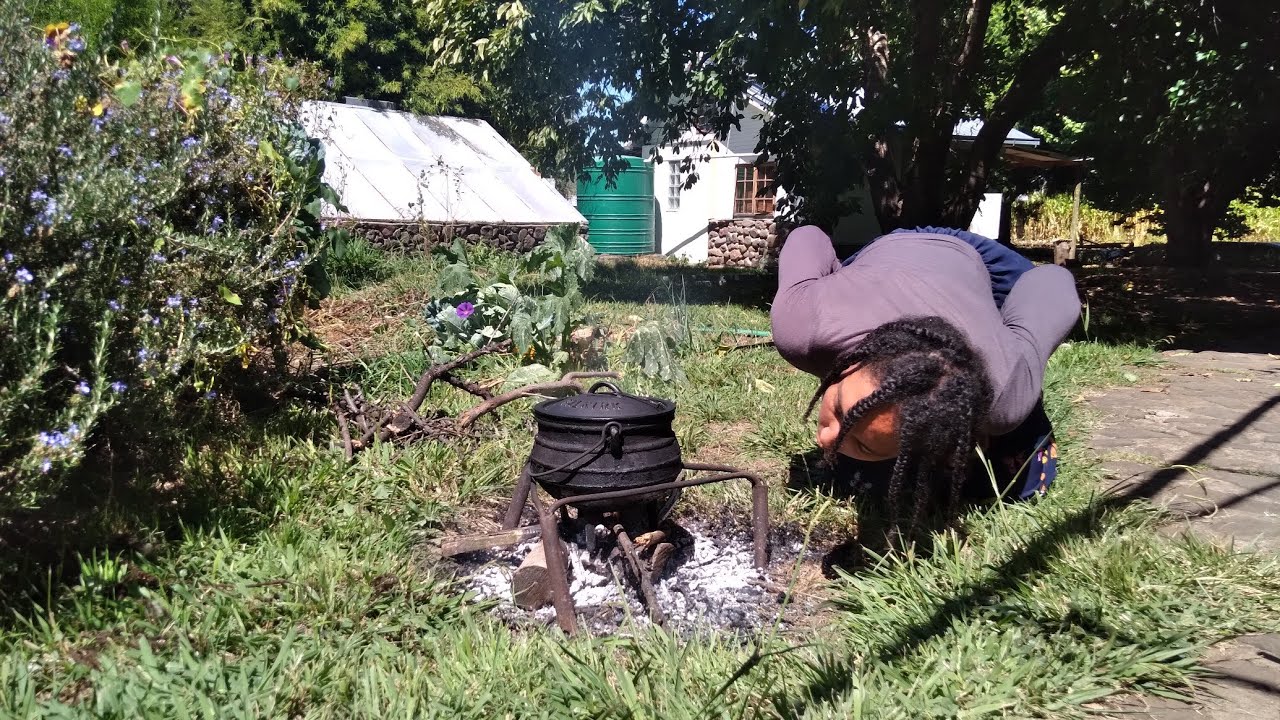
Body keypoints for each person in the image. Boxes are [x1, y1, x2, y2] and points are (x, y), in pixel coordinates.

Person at [770, 224, 1082, 542]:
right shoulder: (804, 326)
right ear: (849, 365)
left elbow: (1051, 280)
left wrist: (998, 324)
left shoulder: (1004, 392)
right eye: (838, 409)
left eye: (863, 443)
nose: (825, 438)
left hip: (980, 261)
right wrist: (845, 278)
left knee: (1023, 480)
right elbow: (808, 235)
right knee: (861, 479)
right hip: (886, 254)